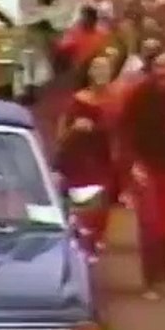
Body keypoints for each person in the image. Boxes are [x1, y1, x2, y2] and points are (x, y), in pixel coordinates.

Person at [118, 50, 165, 299]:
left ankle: (164, 262)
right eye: (159, 66)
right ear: (152, 70)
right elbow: (125, 129)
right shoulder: (139, 94)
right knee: (150, 224)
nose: (164, 72)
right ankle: (151, 280)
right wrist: (133, 163)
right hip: (146, 165)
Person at [55, 54, 120, 261]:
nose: (101, 72)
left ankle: (93, 241)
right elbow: (62, 132)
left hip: (103, 158)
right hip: (79, 159)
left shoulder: (117, 100)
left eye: (105, 68)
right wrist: (75, 128)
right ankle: (83, 245)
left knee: (100, 206)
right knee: (83, 205)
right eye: (97, 67)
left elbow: (122, 130)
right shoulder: (77, 100)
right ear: (89, 72)